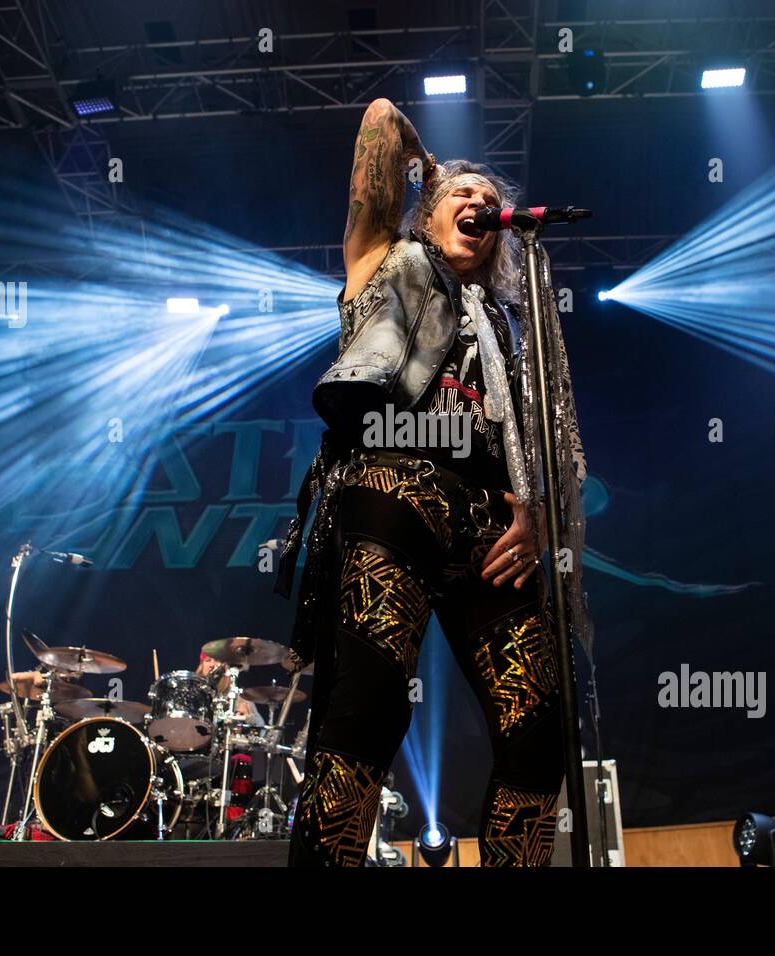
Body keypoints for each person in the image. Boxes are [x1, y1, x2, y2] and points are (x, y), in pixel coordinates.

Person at [274, 97, 590, 866]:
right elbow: (380, 121)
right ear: (427, 209)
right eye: (462, 195)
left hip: (489, 530)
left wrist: (539, 518)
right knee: (370, 712)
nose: (480, 204)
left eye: (490, 199)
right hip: (391, 492)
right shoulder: (384, 263)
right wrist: (431, 165)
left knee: (539, 732)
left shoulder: (512, 325)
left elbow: (546, 446)